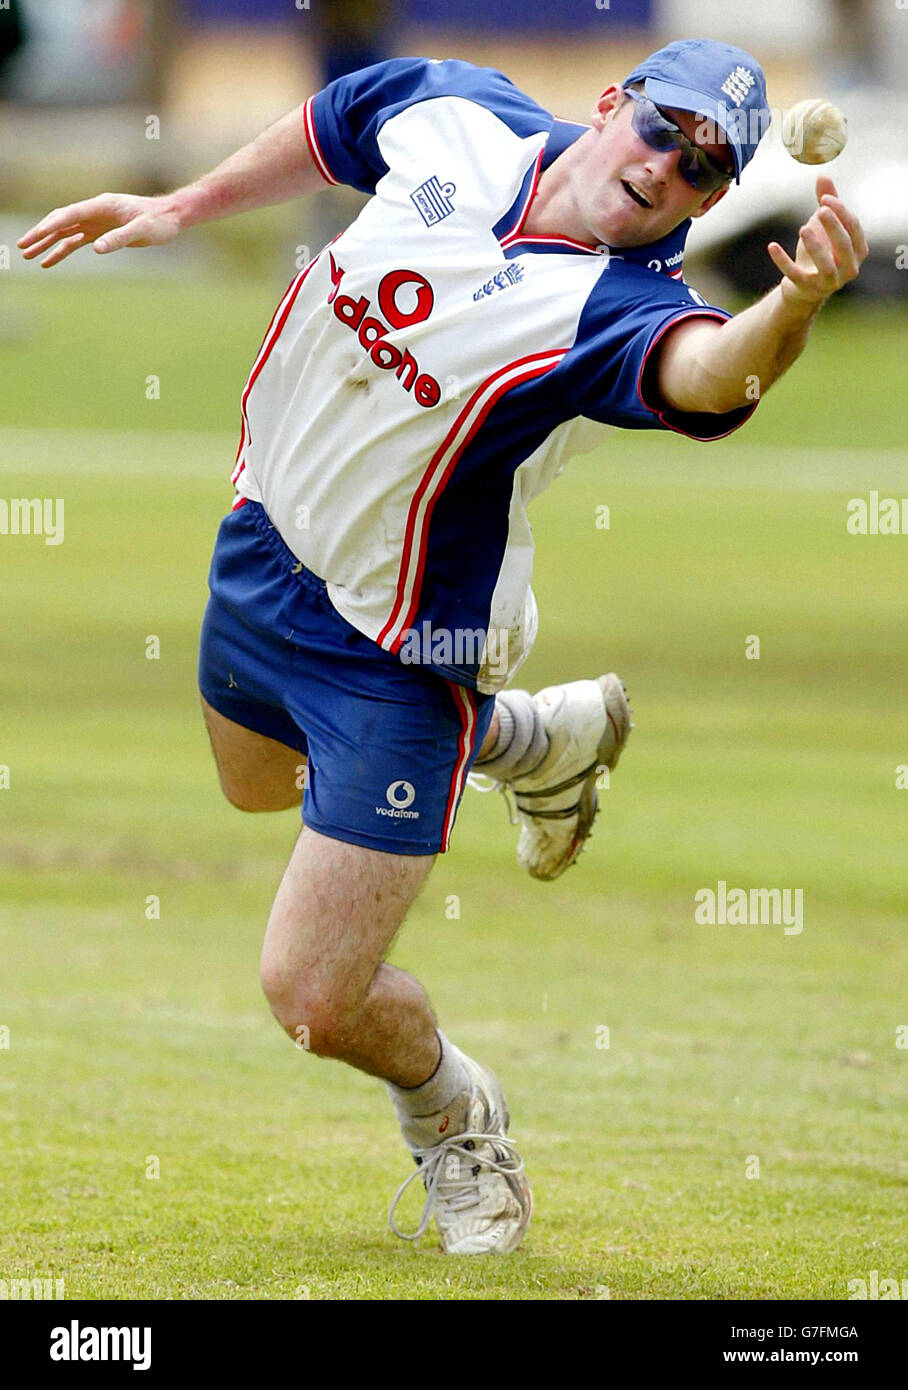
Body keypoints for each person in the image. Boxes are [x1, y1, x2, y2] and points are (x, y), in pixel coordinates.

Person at [18, 38, 867, 1256]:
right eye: (662, 128)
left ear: (711, 199)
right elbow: (330, 123)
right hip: (267, 541)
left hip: (407, 649)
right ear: (611, 102)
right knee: (254, 786)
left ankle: (454, 1113)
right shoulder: (453, 111)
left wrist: (787, 308)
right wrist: (181, 204)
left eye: (703, 169)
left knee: (311, 998)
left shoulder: (622, 306)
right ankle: (536, 739)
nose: (666, 169)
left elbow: (709, 379)